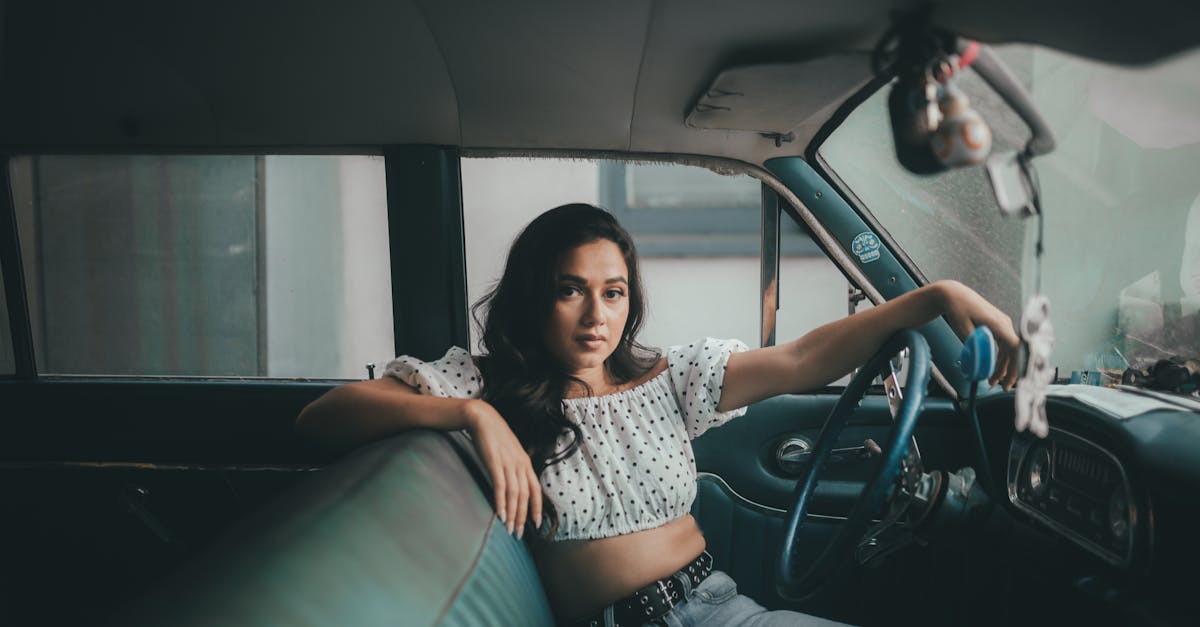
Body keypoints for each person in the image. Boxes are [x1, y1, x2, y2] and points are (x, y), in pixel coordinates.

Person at [296, 203, 1019, 626]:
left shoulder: (670, 377)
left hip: (724, 605)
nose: (595, 315)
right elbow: (321, 418)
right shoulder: (487, 386)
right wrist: (473, 415)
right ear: (530, 297)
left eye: (612, 292)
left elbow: (804, 358)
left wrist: (935, 298)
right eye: (569, 290)